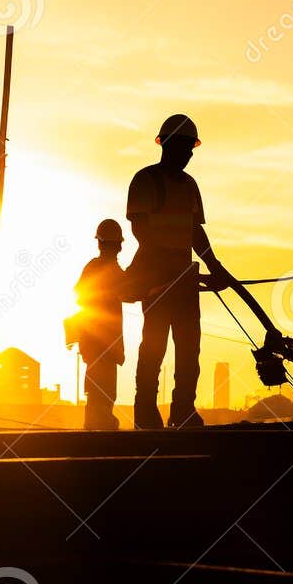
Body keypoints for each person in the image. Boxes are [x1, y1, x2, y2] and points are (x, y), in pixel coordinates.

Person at [126, 114, 232, 430]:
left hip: (184, 278)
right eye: (184, 147)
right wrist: (163, 265)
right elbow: (140, 229)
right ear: (166, 145)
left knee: (188, 349)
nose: (188, 154)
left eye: (190, 148)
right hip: (157, 279)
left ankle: (183, 409)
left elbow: (195, 233)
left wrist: (216, 267)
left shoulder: (189, 186)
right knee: (154, 345)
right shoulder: (146, 180)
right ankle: (146, 411)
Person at [70, 219, 127, 431]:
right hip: (102, 342)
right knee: (103, 385)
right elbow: (131, 291)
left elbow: (79, 293)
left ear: (100, 243)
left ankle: (97, 419)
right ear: (117, 246)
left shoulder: (94, 267)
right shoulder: (108, 269)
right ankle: (99, 420)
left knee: (99, 384)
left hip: (96, 341)